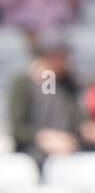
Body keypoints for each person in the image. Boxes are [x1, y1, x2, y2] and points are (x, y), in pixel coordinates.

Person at [8, 32, 85, 165]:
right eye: (57, 56)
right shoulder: (24, 84)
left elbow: (79, 124)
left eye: (64, 55)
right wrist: (42, 137)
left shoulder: (72, 85)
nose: (64, 61)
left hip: (68, 152)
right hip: (31, 155)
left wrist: (70, 140)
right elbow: (17, 128)